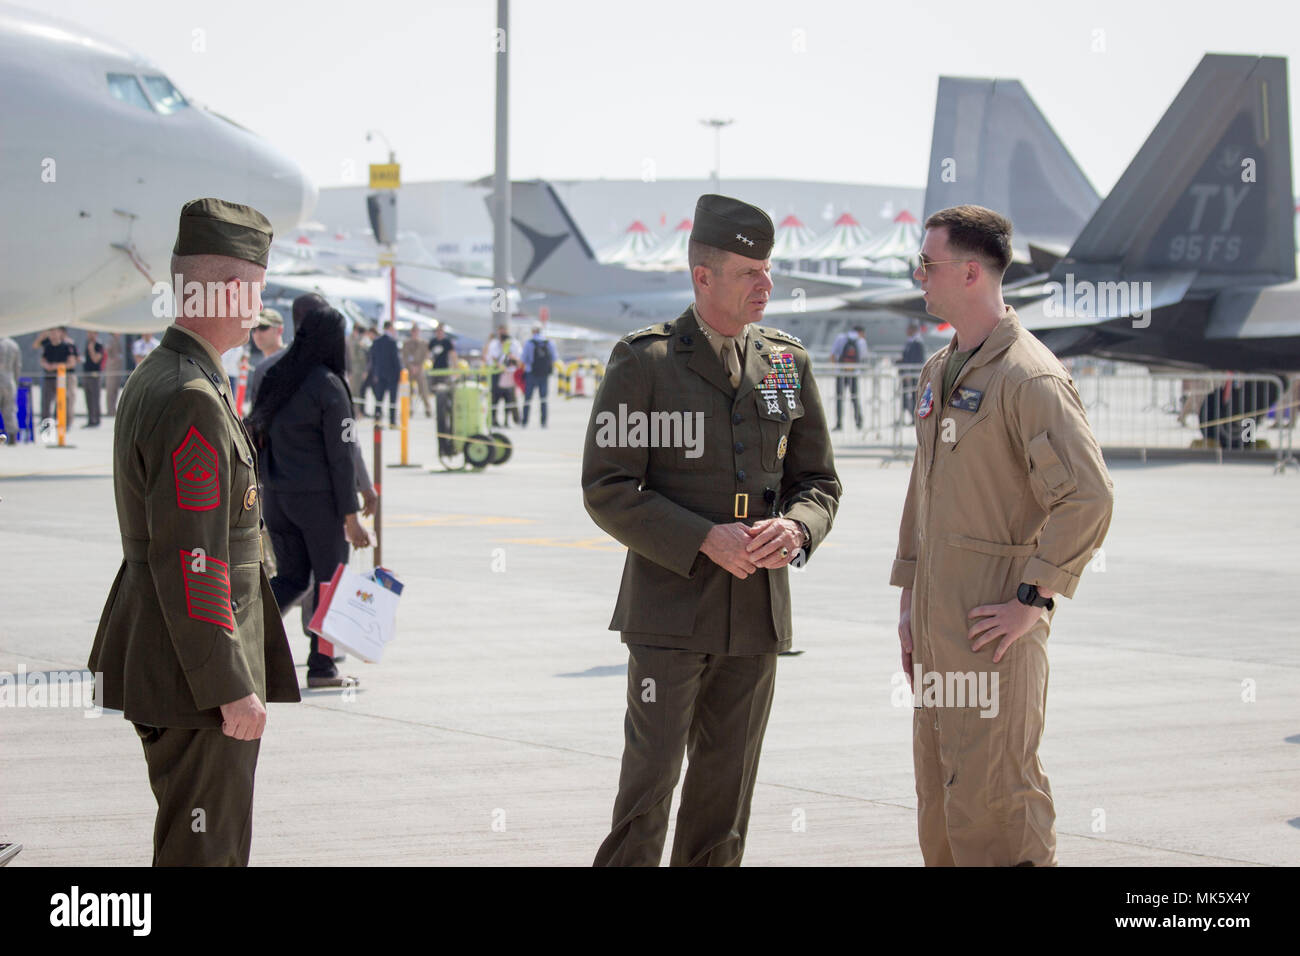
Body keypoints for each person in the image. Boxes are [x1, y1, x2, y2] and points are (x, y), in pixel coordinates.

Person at [582, 195, 841, 866]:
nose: (768, 285)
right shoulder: (647, 363)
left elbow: (816, 482)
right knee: (648, 793)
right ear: (704, 277)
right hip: (670, 614)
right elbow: (607, 487)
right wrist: (703, 537)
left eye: (769, 269)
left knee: (724, 803)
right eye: (751, 271)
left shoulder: (783, 364)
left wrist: (797, 529)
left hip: (754, 616)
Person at [891, 204, 1114, 867]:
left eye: (926, 264)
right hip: (937, 632)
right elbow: (922, 492)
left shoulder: (1029, 376)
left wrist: (1033, 596)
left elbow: (1089, 494)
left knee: (999, 800)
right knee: (943, 801)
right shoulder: (940, 371)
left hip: (995, 633)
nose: (918, 276)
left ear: (968, 272)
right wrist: (908, 603)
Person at [87, 197, 300, 866]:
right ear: (232, 289)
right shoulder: (191, 398)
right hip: (195, 679)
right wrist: (228, 685)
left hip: (174, 663)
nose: (260, 308)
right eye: (257, 291)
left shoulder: (166, 375)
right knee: (206, 855)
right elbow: (194, 558)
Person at [248, 302, 373, 689]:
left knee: (290, 578)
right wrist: (351, 516)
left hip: (277, 498)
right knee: (329, 582)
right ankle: (322, 667)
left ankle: (238, 636)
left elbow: (254, 434)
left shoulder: (276, 376)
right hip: (318, 502)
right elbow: (342, 456)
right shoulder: (331, 386)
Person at [245, 307, 286, 408]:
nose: (257, 333)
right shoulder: (263, 365)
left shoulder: (287, 362)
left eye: (263, 327)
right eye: (254, 328)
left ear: (280, 330)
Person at [829, 325, 867, 431]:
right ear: (861, 332)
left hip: (841, 373)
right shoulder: (861, 341)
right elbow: (863, 357)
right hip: (854, 374)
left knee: (839, 398)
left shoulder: (841, 337)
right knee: (855, 398)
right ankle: (858, 422)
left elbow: (832, 355)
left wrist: (836, 368)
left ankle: (839, 423)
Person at [37, 327, 78, 427]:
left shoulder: (67, 346)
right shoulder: (47, 346)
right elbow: (42, 359)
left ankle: (64, 423)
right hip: (49, 377)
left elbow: (72, 363)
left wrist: (56, 366)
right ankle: (45, 423)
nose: (53, 335)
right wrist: (47, 366)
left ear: (60, 333)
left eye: (55, 333)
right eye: (51, 333)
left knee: (63, 401)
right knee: (46, 401)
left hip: (62, 378)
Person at [521, 326, 557, 428]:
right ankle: (543, 422)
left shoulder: (529, 343)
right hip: (544, 375)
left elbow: (524, 359)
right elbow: (554, 358)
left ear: (533, 332)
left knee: (527, 398)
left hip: (531, 374)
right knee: (543, 399)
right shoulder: (549, 343)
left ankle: (524, 421)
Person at [485, 328, 521, 427]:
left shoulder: (513, 345)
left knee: (509, 400)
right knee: (494, 400)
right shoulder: (494, 345)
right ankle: (493, 420)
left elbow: (518, 360)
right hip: (497, 376)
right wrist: (499, 366)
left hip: (508, 376)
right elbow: (491, 358)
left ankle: (507, 421)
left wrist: (512, 359)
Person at [368, 321, 401, 426]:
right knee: (392, 400)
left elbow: (373, 359)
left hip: (380, 374)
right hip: (392, 375)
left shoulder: (377, 341)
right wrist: (400, 373)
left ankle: (377, 420)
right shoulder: (392, 342)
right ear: (390, 328)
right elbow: (396, 359)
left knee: (379, 399)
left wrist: (375, 373)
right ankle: (392, 421)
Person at [401, 325, 433, 418]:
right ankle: (409, 409)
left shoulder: (423, 343)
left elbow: (425, 356)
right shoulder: (406, 343)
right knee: (408, 390)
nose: (415, 333)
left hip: (419, 369)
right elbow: (404, 356)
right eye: (413, 331)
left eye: (416, 331)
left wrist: (418, 366)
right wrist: (411, 366)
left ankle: (427, 408)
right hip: (409, 369)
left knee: (423, 389)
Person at [900, 321, 926, 424]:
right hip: (907, 374)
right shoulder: (910, 342)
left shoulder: (917, 342)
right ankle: (911, 416)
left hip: (913, 375)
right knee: (906, 396)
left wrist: (910, 373)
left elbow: (917, 360)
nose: (907, 331)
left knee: (914, 397)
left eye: (909, 329)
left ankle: (915, 417)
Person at [82, 330, 105, 427]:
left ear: (96, 334)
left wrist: (91, 349)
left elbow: (96, 359)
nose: (89, 335)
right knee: (88, 398)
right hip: (86, 374)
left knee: (95, 398)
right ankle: (90, 419)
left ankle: (96, 419)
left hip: (95, 375)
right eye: (88, 333)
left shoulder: (99, 345)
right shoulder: (87, 343)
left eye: (91, 333)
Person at [0, 335, 20, 443]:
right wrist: (15, 381)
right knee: (10, 409)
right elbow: (17, 366)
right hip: (9, 379)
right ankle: (12, 436)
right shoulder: (13, 344)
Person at [347, 322, 370, 407]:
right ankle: (353, 412)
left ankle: (357, 411)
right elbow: (353, 356)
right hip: (353, 370)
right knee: (353, 392)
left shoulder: (359, 341)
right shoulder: (351, 340)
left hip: (359, 370)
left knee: (358, 392)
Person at [104, 333, 125, 416]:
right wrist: (113, 359)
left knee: (115, 390)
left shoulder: (117, 341)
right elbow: (107, 352)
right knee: (111, 390)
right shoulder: (111, 340)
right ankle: (110, 410)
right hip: (111, 368)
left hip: (117, 368)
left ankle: (113, 409)